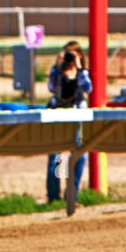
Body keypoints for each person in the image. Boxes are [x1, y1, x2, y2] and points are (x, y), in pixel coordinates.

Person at [45, 43, 93, 203]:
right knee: (58, 157)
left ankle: (72, 193)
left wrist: (79, 69)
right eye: (66, 54)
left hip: (76, 116)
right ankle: (54, 197)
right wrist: (58, 68)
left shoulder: (82, 73)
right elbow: (52, 88)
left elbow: (88, 88)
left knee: (80, 156)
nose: (68, 58)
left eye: (71, 55)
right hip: (59, 116)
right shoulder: (57, 72)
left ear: (79, 55)